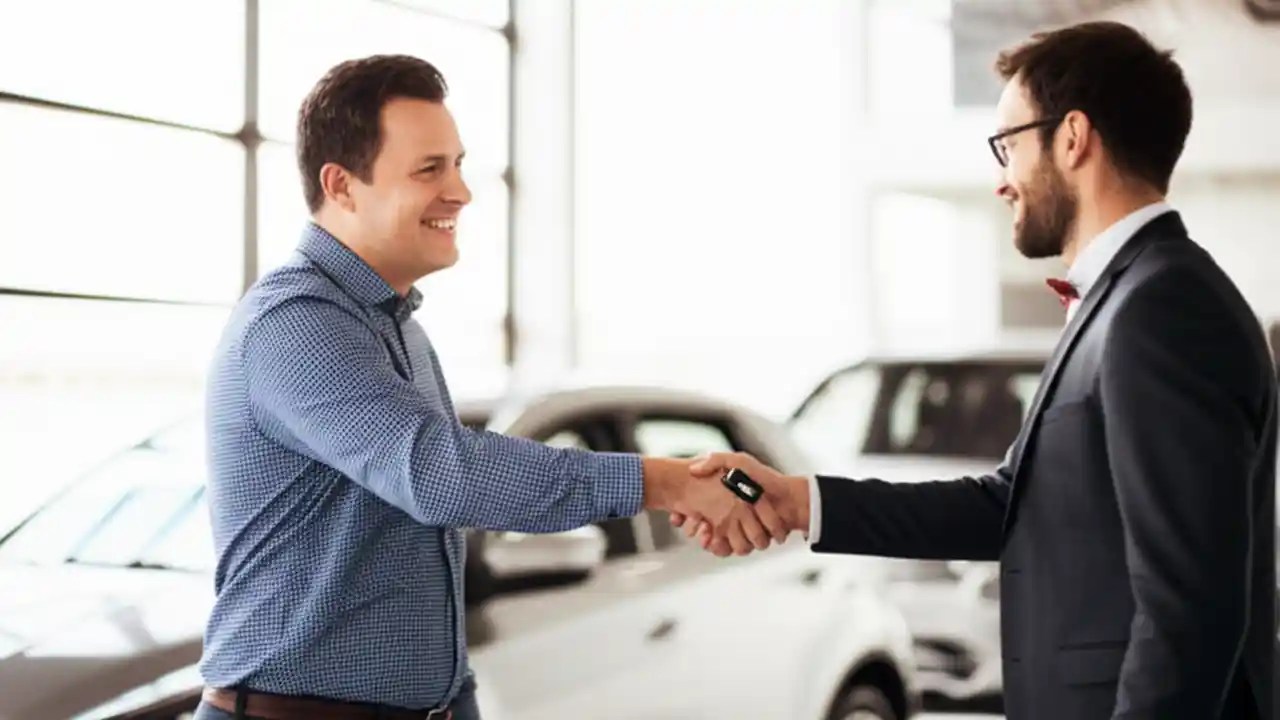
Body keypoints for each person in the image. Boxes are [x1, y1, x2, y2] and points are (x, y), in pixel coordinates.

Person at [680, 21, 1277, 720]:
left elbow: (1190, 610)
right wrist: (795, 502)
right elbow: (1012, 506)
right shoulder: (1129, 298)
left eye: (1009, 146)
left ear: (1073, 137)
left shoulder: (1161, 308)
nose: (1001, 181)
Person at [193, 55, 785, 720]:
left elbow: (429, 547)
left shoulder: (395, 324)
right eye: (430, 169)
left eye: (458, 164)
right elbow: (445, 477)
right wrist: (667, 481)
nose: (462, 192)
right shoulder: (296, 324)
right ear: (342, 185)